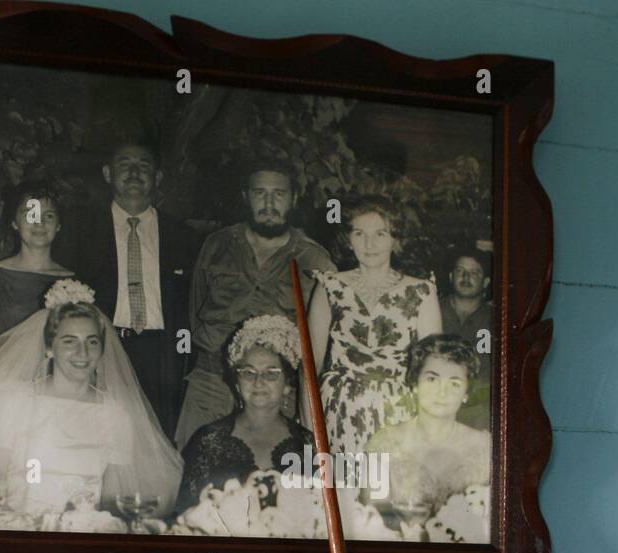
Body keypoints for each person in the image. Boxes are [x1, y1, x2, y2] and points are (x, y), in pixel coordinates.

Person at [0, 280, 183, 519]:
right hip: (17, 528)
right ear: (48, 348)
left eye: (92, 342)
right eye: (69, 341)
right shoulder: (12, 400)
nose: (82, 352)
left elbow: (111, 503)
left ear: (102, 350)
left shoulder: (116, 413)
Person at [175, 160, 335, 451]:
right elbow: (195, 308)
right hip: (211, 384)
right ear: (245, 196)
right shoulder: (217, 244)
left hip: (277, 391)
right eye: (260, 193)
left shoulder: (315, 260)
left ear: (294, 198)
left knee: (272, 480)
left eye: (279, 194)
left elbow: (327, 338)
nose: (269, 203)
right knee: (195, 473)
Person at [54, 135, 200, 442]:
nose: (134, 172)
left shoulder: (183, 236)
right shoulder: (77, 230)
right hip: (103, 348)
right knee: (99, 436)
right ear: (108, 174)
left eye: (143, 165)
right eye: (125, 164)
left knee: (156, 438)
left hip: (162, 355)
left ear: (157, 178)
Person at [304, 196, 443, 458]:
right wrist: (310, 431)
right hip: (339, 411)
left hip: (399, 414)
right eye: (359, 233)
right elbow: (309, 367)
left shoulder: (422, 290)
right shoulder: (329, 286)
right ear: (349, 239)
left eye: (380, 234)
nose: (370, 244)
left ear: (395, 238)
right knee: (343, 495)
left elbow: (433, 371)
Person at [174, 315, 314, 515]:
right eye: (249, 372)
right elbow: (185, 515)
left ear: (287, 384)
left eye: (271, 373)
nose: (258, 382)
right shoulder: (207, 441)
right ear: (237, 383)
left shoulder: (308, 444)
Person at [361, 334, 490, 520]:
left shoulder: (485, 448)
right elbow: (373, 521)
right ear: (414, 384)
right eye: (432, 379)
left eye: (454, 383)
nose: (442, 392)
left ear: (466, 393)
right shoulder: (382, 443)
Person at [0, 180, 74, 376]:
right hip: (4, 382)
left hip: (54, 383)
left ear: (59, 225)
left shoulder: (73, 281)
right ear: (14, 222)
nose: (39, 223)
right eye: (30, 215)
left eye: (48, 216)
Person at [438, 249, 493, 431]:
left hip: (478, 411)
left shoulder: (497, 319)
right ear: (451, 276)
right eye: (460, 271)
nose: (466, 276)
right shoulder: (432, 310)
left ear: (485, 282)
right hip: (434, 405)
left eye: (474, 272)